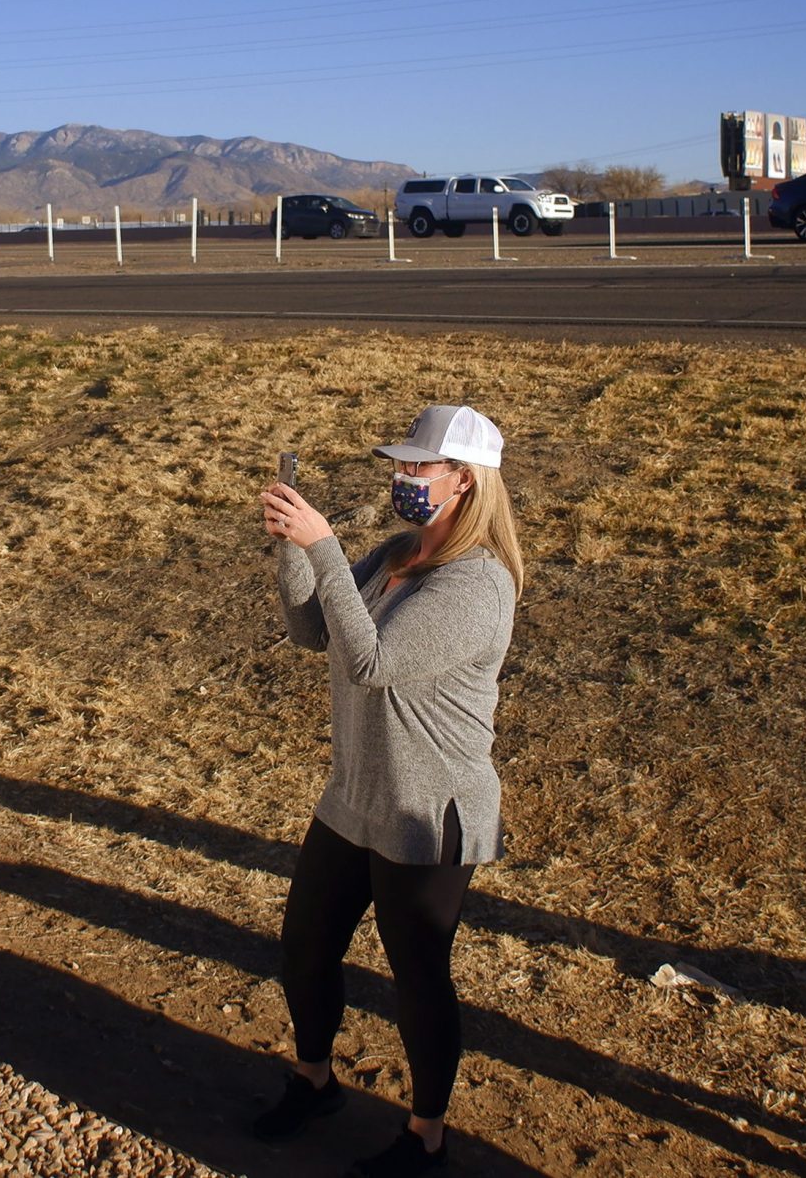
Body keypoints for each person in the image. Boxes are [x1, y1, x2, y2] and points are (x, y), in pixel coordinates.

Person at [252, 403, 523, 1178]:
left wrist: (326, 545)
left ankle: (426, 1133)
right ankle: (314, 1079)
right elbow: (316, 633)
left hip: (426, 812)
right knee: (305, 942)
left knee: (417, 977)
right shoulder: (398, 551)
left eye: (416, 467)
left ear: (463, 482)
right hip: (355, 795)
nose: (401, 477)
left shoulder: (478, 584)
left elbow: (373, 661)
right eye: (399, 464)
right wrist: (295, 552)